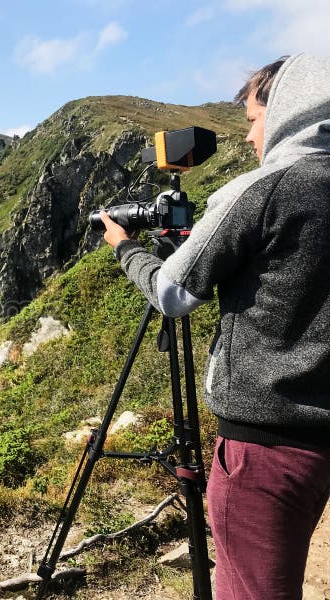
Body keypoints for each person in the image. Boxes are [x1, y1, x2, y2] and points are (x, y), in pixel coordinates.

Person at [100, 54, 330, 599]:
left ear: (290, 109)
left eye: (253, 119)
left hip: (263, 445)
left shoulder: (266, 189)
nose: (249, 136)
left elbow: (173, 294)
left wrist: (124, 248)